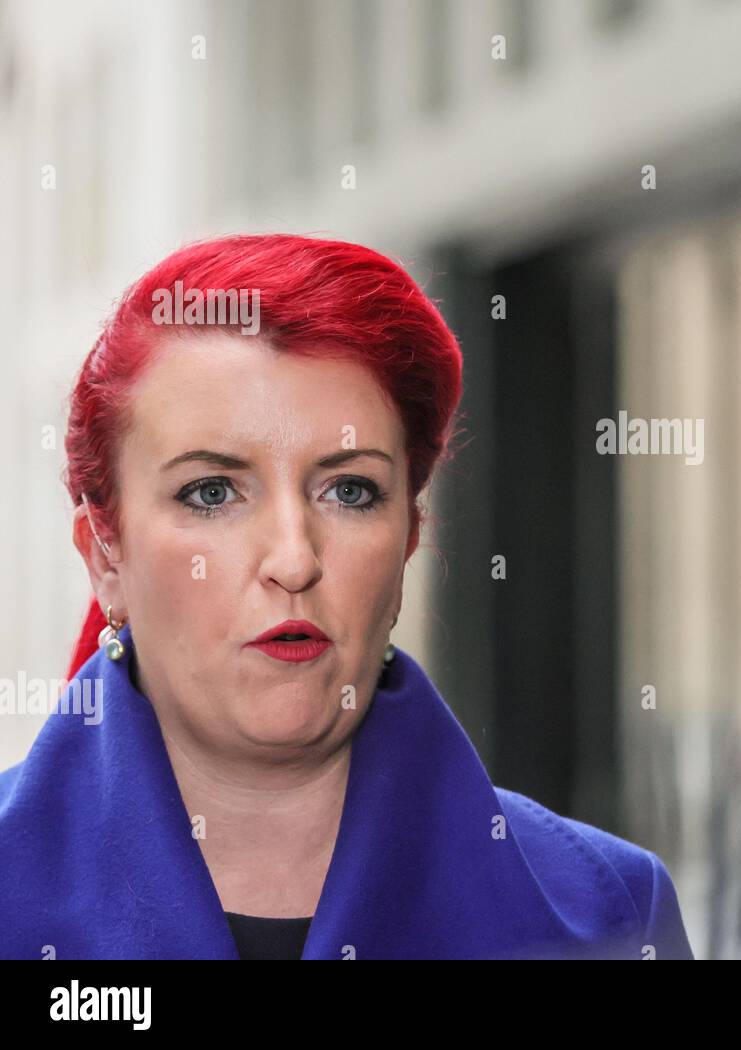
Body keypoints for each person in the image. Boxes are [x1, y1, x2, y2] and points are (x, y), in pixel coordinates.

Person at [0, 233, 692, 960]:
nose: (295, 559)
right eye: (211, 492)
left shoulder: (607, 915)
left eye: (350, 491)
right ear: (105, 554)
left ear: (410, 536)